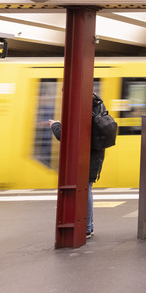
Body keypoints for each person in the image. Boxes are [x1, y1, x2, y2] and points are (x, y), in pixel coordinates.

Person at [48, 92, 108, 239]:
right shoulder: (98, 105)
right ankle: (88, 226)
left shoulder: (82, 110)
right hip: (96, 153)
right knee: (87, 187)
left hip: (87, 155)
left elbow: (67, 135)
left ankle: (87, 228)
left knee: (86, 188)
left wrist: (55, 125)